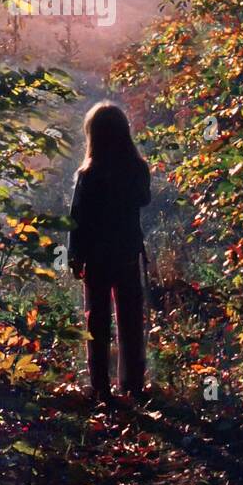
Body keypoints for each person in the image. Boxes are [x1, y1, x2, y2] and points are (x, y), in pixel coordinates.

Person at [68, 101, 151, 404]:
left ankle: (101, 387)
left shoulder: (88, 174)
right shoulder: (137, 169)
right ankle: (132, 385)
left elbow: (76, 219)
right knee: (130, 319)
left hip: (96, 256)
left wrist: (74, 255)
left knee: (97, 322)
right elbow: (145, 199)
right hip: (127, 251)